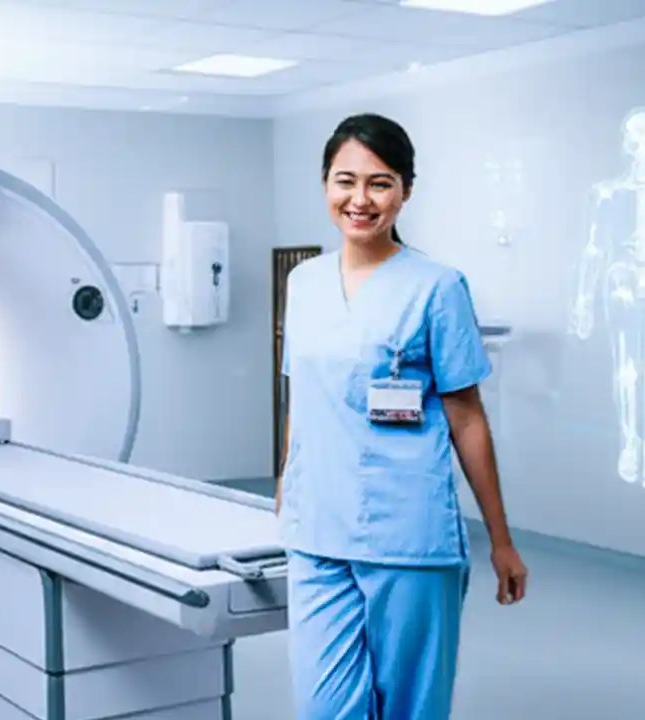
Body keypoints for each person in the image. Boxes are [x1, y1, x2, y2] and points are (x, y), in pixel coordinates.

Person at [275, 113, 528, 719]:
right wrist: (287, 479)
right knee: (324, 707)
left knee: (411, 708)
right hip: (317, 533)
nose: (360, 200)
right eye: (345, 181)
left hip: (408, 536)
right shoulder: (304, 283)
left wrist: (500, 540)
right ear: (325, 185)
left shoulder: (438, 287)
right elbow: (300, 394)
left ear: (405, 191)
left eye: (380, 183)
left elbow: (466, 417)